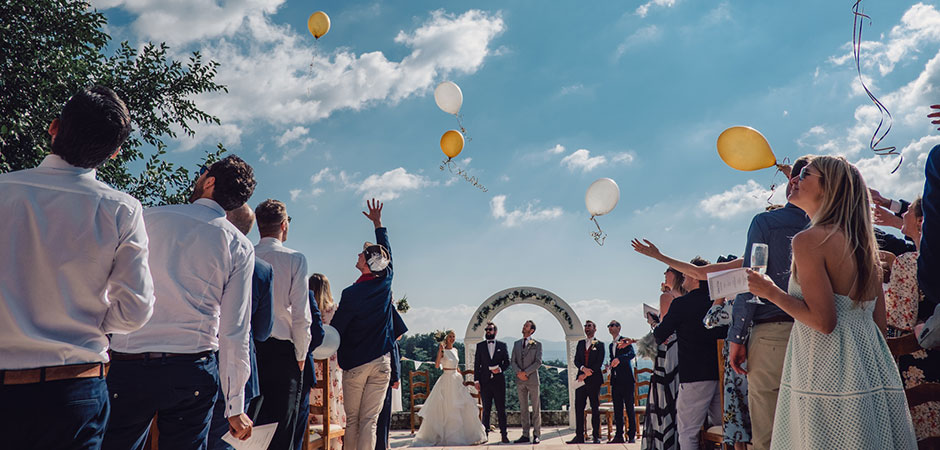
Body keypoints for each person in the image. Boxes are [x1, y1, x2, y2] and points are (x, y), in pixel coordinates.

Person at [0, 86, 155, 450]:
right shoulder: (122, 210)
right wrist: (90, 318)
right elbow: (136, 310)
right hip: (75, 387)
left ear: (53, 127)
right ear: (114, 154)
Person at [747, 155, 916, 449]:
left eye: (805, 175)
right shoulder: (864, 244)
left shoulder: (808, 241)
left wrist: (771, 292)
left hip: (826, 366)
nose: (796, 179)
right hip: (870, 364)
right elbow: (878, 322)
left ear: (828, 188)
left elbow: (824, 322)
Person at [105, 155, 257, 450]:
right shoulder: (238, 244)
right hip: (192, 367)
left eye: (203, 173)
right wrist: (235, 405)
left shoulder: (147, 218)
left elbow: (112, 284)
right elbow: (235, 330)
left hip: (131, 361)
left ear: (209, 181)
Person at [725, 156, 812, 450]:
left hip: (771, 334)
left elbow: (752, 282)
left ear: (793, 183)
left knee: (768, 434)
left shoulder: (765, 223)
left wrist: (736, 338)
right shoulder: (832, 227)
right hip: (818, 334)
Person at [330, 199, 408, 450]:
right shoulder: (385, 284)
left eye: (362, 254)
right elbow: (388, 255)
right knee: (369, 421)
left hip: (356, 365)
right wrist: (378, 225)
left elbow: (337, 330)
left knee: (352, 420)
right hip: (382, 364)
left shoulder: (351, 294)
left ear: (367, 263)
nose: (358, 254)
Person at [208, 204, 275, 450]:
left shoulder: (202, 253)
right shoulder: (262, 269)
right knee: (227, 442)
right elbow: (263, 331)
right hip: (240, 368)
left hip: (194, 359)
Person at [653, 257, 728, 450]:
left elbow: (660, 334)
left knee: (688, 432)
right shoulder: (719, 302)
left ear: (696, 277)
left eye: (686, 273)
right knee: (724, 430)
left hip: (694, 375)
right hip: (722, 375)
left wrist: (654, 325)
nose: (683, 276)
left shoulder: (682, 304)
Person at [885, 198, 940, 440]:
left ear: (920, 222)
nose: (903, 214)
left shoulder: (908, 262)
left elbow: (900, 318)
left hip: (921, 364)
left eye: (907, 210)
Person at [413, 331, 488, 446]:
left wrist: (461, 378)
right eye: (450, 337)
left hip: (456, 379)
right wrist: (439, 351)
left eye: (454, 336)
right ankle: (446, 435)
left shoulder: (456, 350)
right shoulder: (443, 351)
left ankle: (466, 434)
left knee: (462, 406)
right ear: (446, 339)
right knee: (448, 407)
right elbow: (437, 365)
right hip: (446, 378)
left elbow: (456, 366)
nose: (452, 339)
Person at [641, 268, 684, 450]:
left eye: (666, 273)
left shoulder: (666, 297)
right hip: (682, 350)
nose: (664, 277)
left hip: (667, 352)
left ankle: (665, 442)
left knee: (664, 396)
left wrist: (653, 322)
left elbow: (665, 327)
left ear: (673, 276)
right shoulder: (685, 295)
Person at [309, 274, 346, 444]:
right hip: (331, 365)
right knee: (332, 405)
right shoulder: (336, 310)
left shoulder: (306, 309)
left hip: (310, 363)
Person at [291, 285, 325, 450]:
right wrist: (305, 351)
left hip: (265, 367)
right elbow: (318, 334)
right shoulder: (305, 295)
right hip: (301, 371)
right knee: (296, 431)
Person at [568, 320, 605, 444]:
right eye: (586, 326)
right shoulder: (580, 343)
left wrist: (589, 372)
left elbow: (599, 362)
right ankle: (579, 436)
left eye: (589, 326)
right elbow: (576, 360)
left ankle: (596, 436)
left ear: (595, 329)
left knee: (595, 407)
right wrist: (583, 370)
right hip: (581, 380)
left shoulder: (600, 344)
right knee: (579, 407)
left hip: (594, 379)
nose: (587, 328)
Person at [474, 322, 511, 444]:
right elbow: (477, 364)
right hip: (485, 382)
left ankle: (504, 435)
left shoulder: (502, 345)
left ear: (495, 331)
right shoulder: (480, 346)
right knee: (486, 410)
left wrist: (499, 369)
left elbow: (507, 362)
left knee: (501, 409)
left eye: (490, 329)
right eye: (486, 329)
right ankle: (485, 435)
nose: (488, 331)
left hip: (499, 382)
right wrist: (476, 380)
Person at [510, 320, 542, 444]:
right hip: (520, 380)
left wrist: (526, 373)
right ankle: (525, 434)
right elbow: (513, 361)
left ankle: (537, 435)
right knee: (523, 408)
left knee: (536, 408)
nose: (524, 327)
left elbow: (538, 362)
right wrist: (519, 372)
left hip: (532, 379)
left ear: (532, 330)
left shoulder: (537, 344)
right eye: (524, 325)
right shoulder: (516, 343)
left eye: (526, 326)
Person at [606, 320, 637, 444]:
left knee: (629, 408)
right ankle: (619, 435)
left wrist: (619, 359)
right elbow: (612, 360)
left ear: (619, 328)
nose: (610, 327)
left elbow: (631, 354)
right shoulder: (610, 345)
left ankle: (631, 435)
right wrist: (610, 366)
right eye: (609, 326)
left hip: (627, 380)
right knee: (617, 409)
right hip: (616, 380)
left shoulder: (625, 341)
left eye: (613, 325)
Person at [374, 339, 400, 450]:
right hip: (383, 373)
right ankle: (381, 446)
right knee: (383, 414)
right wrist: (395, 376)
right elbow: (392, 344)